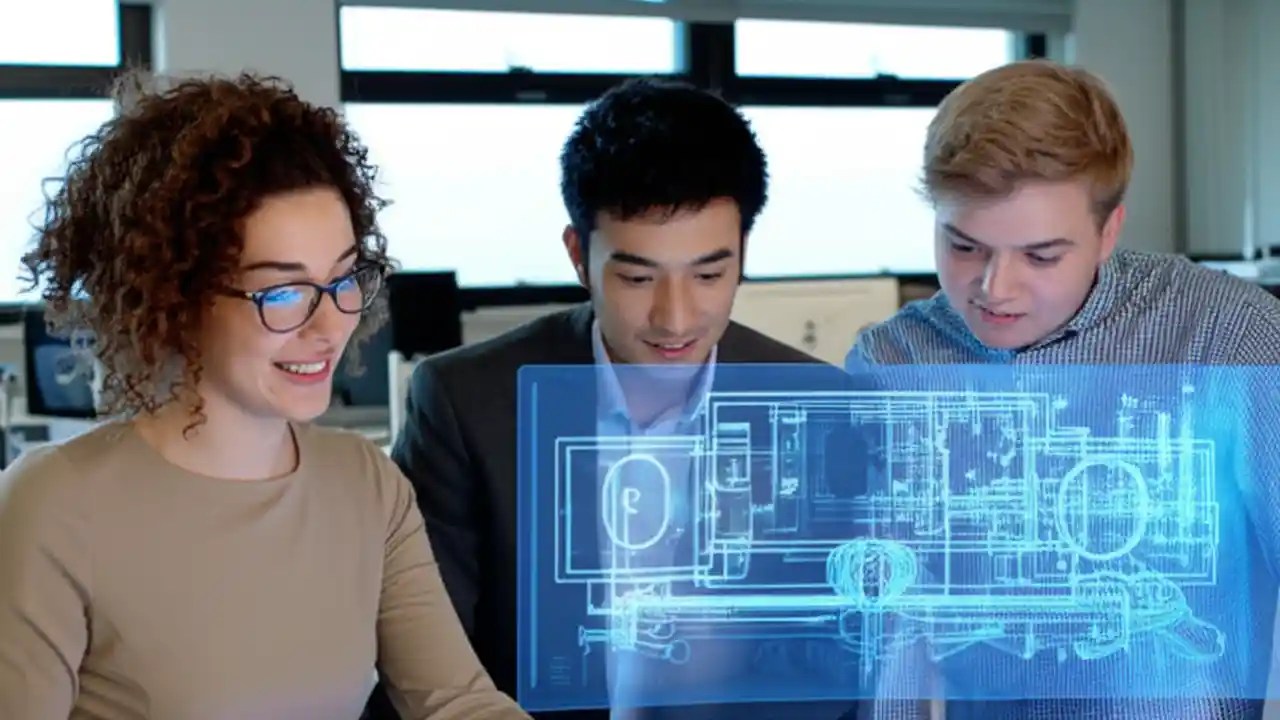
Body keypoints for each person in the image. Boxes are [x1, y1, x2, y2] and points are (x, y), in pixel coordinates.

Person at [0, 71, 530, 720]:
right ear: (177, 296)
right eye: (281, 292)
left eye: (342, 280)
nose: (329, 323)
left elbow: (457, 704)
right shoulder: (55, 506)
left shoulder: (365, 484)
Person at [376, 77, 862, 720]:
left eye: (710, 274)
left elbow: (832, 664)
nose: (675, 317)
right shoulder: (471, 401)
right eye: (637, 277)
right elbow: (424, 658)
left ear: (745, 252)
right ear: (579, 256)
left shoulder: (814, 401)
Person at [848, 59, 1280, 720]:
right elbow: (887, 625)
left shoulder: (1227, 335)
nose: (995, 289)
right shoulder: (893, 360)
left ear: (1109, 231)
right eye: (963, 246)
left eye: (1041, 255)